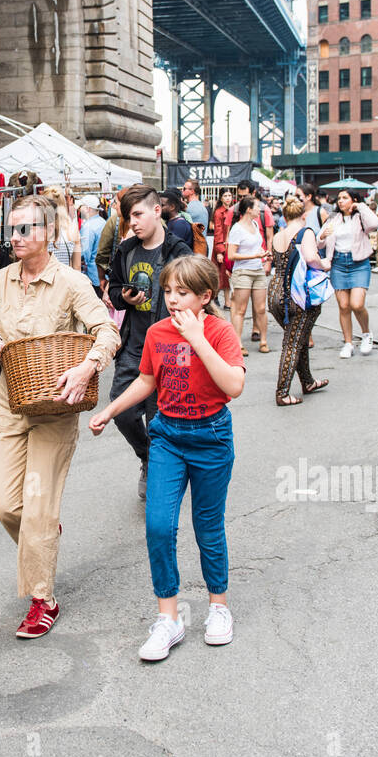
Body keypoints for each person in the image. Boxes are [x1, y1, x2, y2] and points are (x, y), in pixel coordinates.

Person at [90, 255, 245, 658]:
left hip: (210, 436)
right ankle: (169, 618)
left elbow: (234, 384)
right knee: (158, 526)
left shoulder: (221, 330)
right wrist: (109, 411)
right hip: (168, 437)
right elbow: (147, 380)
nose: (173, 300)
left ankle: (218, 608)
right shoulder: (157, 332)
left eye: (184, 293)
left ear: (205, 296)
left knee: (207, 527)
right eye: (169, 291)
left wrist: (198, 339)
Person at [0, 195, 120, 637]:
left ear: (50, 235)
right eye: (13, 228)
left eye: (28, 229)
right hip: (10, 399)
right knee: (4, 502)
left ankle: (44, 600)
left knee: (39, 505)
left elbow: (107, 330)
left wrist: (87, 366)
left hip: (57, 404)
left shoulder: (73, 283)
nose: (16, 237)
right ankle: (43, 531)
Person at [107, 185, 194, 499]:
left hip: (168, 348)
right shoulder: (126, 250)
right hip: (133, 344)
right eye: (129, 216)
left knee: (158, 416)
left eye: (138, 214)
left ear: (157, 211)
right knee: (121, 410)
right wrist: (124, 298)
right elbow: (114, 291)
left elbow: (194, 294)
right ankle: (146, 456)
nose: (133, 222)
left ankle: (158, 469)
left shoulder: (178, 250)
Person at [267, 191, 331, 405]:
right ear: (303, 215)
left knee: (297, 336)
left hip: (275, 293)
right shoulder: (305, 232)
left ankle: (308, 381)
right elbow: (312, 258)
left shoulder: (278, 234)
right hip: (296, 294)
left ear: (284, 216)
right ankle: (282, 393)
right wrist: (325, 264)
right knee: (292, 342)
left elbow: (273, 261)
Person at [320, 191, 378, 358]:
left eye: (345, 198)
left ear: (353, 200)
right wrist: (322, 236)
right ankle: (348, 343)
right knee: (344, 306)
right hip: (338, 263)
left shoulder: (360, 216)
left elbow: (375, 224)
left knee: (357, 304)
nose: (340, 201)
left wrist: (360, 206)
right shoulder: (333, 218)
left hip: (358, 264)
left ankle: (366, 334)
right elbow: (320, 241)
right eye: (338, 198)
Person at [227, 195, 272, 355]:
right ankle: (237, 342)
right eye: (257, 207)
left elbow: (256, 247)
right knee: (240, 309)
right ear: (248, 209)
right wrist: (254, 256)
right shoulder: (237, 229)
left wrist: (263, 254)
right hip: (243, 271)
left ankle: (264, 340)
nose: (259, 210)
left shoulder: (254, 223)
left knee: (261, 308)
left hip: (258, 270)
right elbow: (231, 255)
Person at [43, 187, 82, 270]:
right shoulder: (72, 228)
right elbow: (77, 266)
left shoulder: (40, 229)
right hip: (66, 279)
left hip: (44, 279)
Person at [211, 187, 234, 310]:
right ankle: (224, 301)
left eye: (229, 195)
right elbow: (218, 231)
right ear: (221, 198)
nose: (228, 198)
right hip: (221, 246)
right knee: (221, 275)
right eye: (225, 196)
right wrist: (220, 250)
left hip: (230, 246)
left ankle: (226, 301)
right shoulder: (218, 212)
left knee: (226, 276)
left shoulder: (233, 210)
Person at [78, 194, 106, 294]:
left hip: (93, 276)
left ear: (87, 208)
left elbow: (84, 252)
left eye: (81, 207)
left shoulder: (88, 227)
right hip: (102, 273)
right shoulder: (102, 222)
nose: (79, 209)